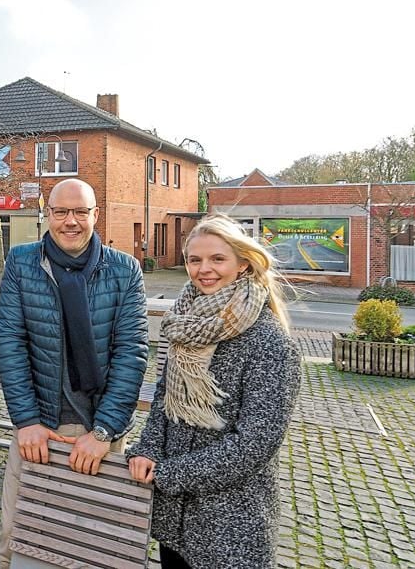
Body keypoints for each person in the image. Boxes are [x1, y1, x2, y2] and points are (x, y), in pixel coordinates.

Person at [127, 214, 302, 568]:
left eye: (217, 259)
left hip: (231, 524)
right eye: (195, 259)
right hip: (175, 521)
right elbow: (165, 402)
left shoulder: (269, 343)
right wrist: (146, 449)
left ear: (242, 265)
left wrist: (168, 473)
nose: (204, 269)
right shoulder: (184, 325)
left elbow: (253, 445)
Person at [0, 178, 149, 567]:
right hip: (39, 431)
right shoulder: (21, 262)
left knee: (94, 545)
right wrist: (26, 420)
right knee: (18, 541)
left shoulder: (125, 271)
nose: (71, 221)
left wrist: (104, 431)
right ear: (47, 215)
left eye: (81, 211)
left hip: (100, 434)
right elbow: (10, 343)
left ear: (96, 215)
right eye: (61, 211)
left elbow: (131, 354)